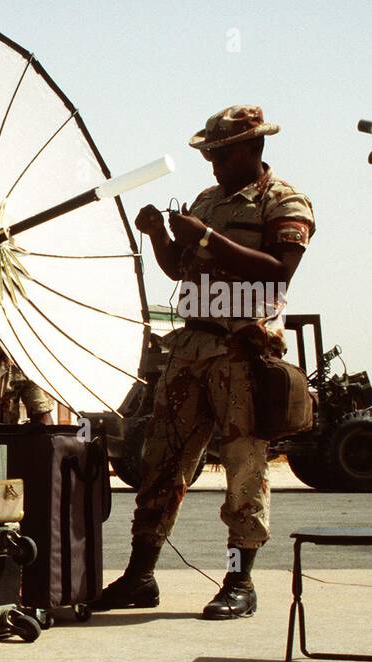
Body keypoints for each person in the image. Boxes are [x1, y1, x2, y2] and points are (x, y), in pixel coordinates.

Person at [93, 105, 314, 619]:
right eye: (208, 154)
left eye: (220, 153)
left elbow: (278, 273)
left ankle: (240, 581)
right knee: (162, 462)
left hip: (243, 351)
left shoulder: (283, 201)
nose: (212, 163)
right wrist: (159, 237)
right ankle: (140, 575)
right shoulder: (207, 201)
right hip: (191, 349)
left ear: (252, 148)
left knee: (245, 468)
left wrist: (208, 238)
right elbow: (181, 271)